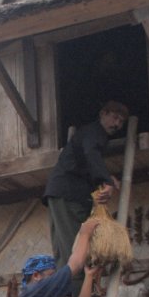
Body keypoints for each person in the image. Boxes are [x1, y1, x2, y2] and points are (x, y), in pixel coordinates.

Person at [43, 100, 128, 275]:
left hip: (60, 192)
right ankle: (75, 294)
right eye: (114, 117)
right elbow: (91, 154)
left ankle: (65, 292)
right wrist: (107, 181)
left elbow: (86, 164)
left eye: (121, 121)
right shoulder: (94, 133)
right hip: (69, 195)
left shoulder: (88, 135)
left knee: (62, 249)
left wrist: (106, 177)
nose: (117, 124)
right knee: (75, 247)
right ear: (103, 114)